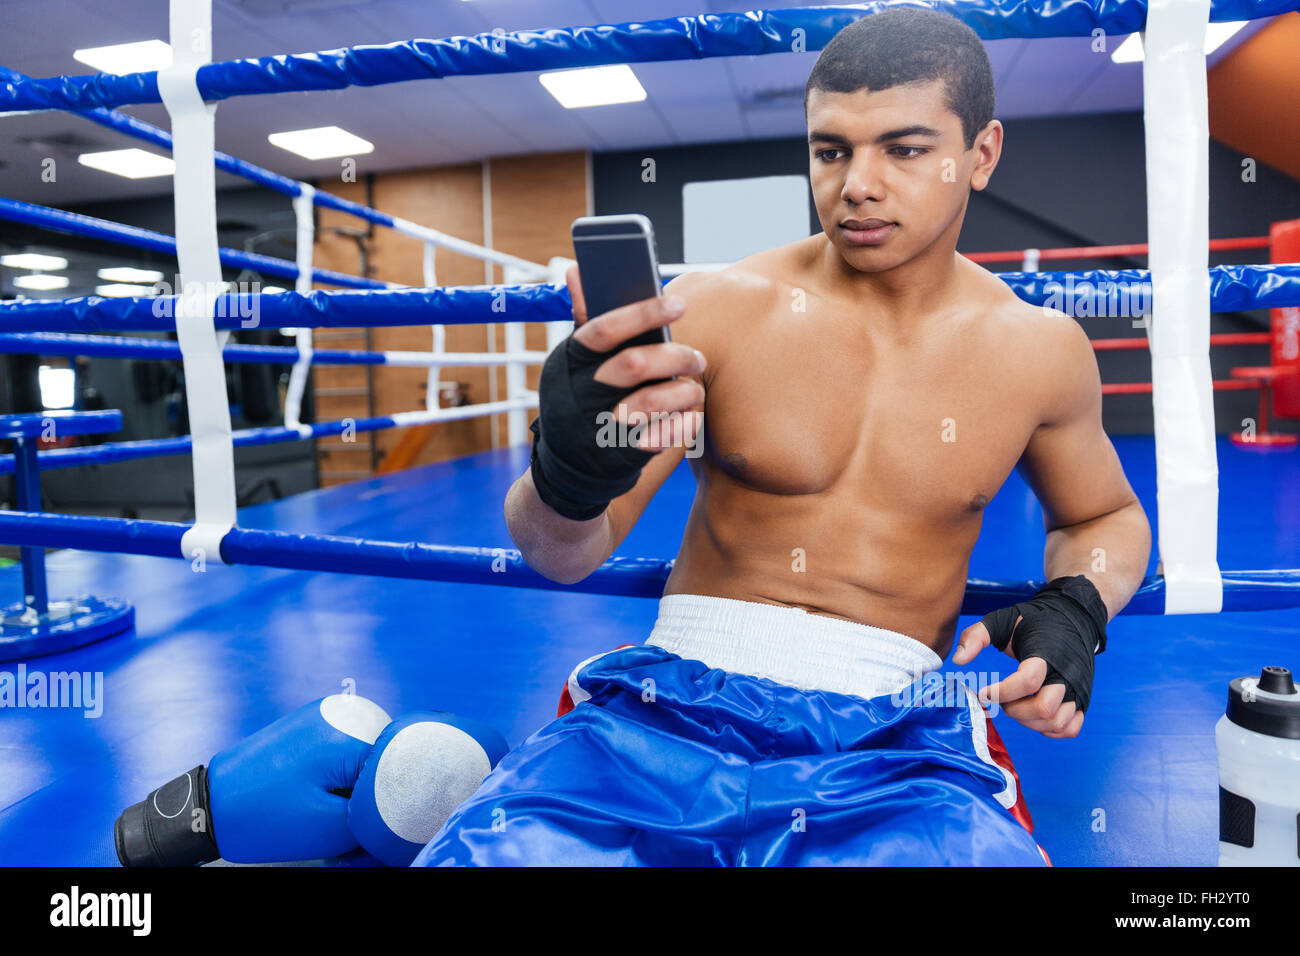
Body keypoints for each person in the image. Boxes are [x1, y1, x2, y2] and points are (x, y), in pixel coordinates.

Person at [416, 7, 1151, 866]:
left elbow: (1106, 518)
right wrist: (568, 474)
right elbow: (563, 553)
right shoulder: (716, 309)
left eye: (904, 149)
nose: (856, 184)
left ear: (980, 154)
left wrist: (1078, 606)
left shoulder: (1038, 350)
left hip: (898, 739)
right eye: (831, 150)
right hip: (666, 710)